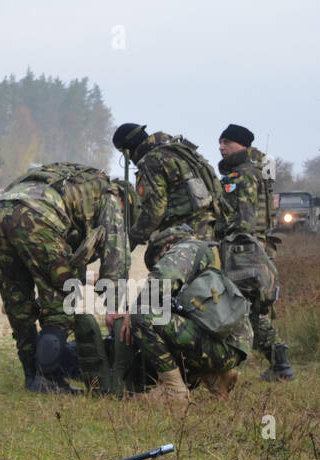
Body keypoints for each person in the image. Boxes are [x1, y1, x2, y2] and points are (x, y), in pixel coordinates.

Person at [0, 162, 132, 393]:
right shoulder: (111, 195)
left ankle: (31, 376)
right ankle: (48, 380)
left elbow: (70, 254)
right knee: (62, 303)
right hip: (38, 214)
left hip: (0, 210)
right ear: (126, 201)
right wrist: (114, 304)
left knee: (18, 305)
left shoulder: (72, 181)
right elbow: (116, 252)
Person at [106, 226, 251, 403]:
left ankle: (174, 391)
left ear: (166, 246)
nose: (158, 264)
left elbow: (162, 279)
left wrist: (134, 310)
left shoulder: (185, 249)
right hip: (234, 346)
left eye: (156, 261)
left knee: (141, 316)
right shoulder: (211, 255)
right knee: (168, 326)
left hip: (221, 346)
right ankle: (218, 378)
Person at [217, 123, 293, 381]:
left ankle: (279, 364)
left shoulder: (244, 174)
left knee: (247, 307)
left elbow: (244, 219)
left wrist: (219, 230)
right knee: (251, 308)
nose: (221, 147)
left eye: (227, 142)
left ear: (242, 145)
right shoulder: (253, 171)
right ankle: (278, 363)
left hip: (244, 251)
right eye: (221, 142)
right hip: (252, 249)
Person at [112, 123, 224, 259]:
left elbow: (154, 211)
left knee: (155, 262)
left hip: (183, 236)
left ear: (128, 149)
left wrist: (130, 240)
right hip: (211, 230)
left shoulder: (151, 161)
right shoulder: (180, 150)